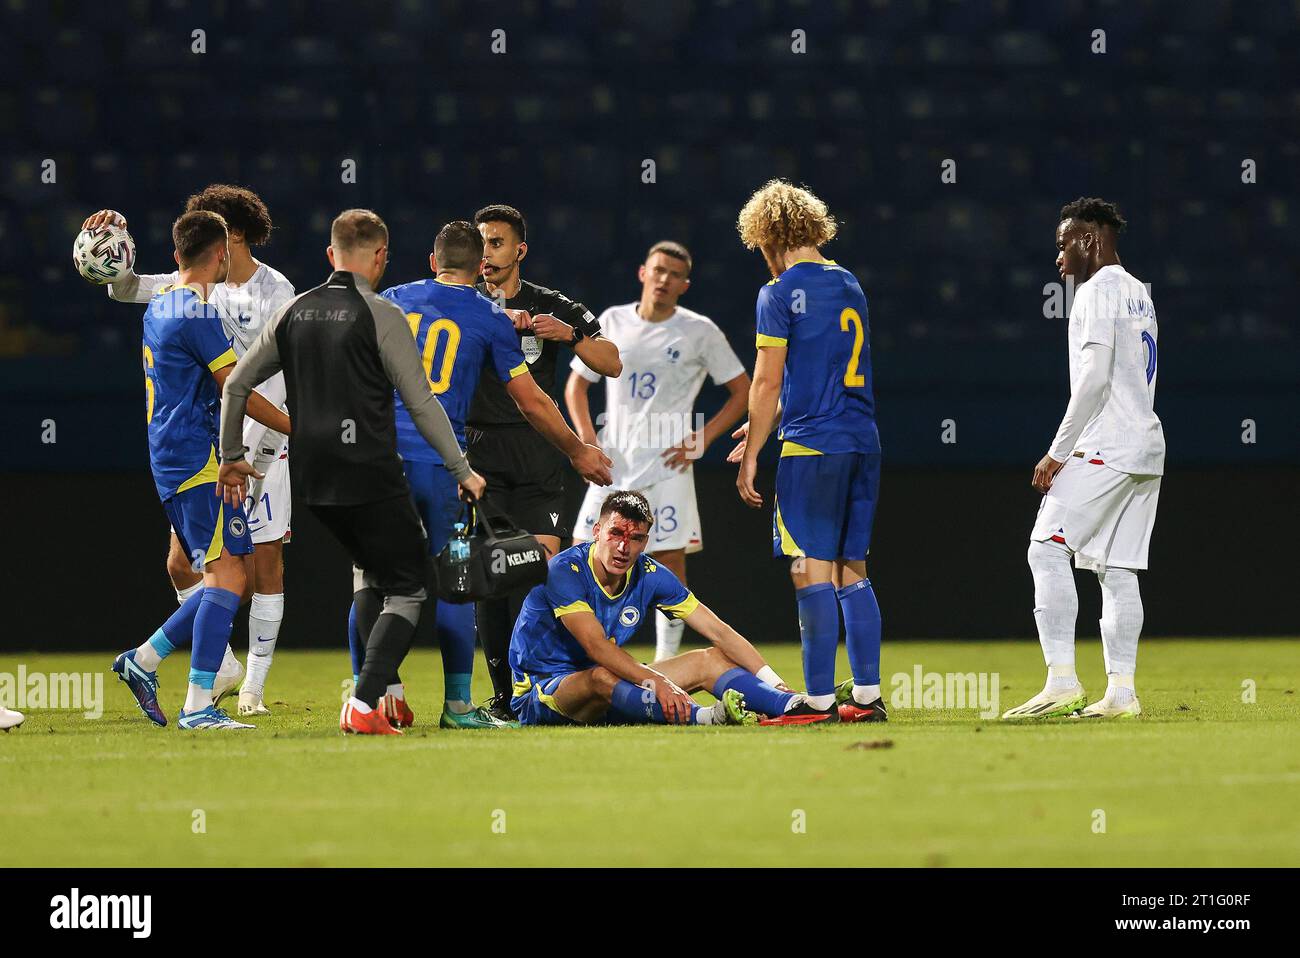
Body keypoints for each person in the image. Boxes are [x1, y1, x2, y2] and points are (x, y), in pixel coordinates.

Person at [217, 209, 486, 736]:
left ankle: (385, 695)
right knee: (409, 586)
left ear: (330, 256)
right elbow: (423, 403)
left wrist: (230, 458)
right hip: (370, 469)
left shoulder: (293, 311)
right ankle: (364, 702)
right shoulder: (381, 315)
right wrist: (462, 467)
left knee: (370, 574)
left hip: (314, 476)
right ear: (380, 256)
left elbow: (234, 386)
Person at [348, 220, 612, 730]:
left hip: (378, 456)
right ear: (477, 269)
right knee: (458, 578)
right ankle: (459, 705)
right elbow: (533, 401)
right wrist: (579, 450)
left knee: (371, 579)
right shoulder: (488, 318)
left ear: (432, 260)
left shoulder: (395, 299)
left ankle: (375, 696)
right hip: (448, 460)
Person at [83, 187, 296, 716]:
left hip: (195, 449)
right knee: (225, 572)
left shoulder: (170, 298)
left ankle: (177, 666)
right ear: (218, 251)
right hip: (204, 453)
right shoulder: (195, 311)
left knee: (236, 565)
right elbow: (235, 388)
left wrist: (109, 246)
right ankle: (195, 697)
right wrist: (302, 429)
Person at [732, 179, 886, 725]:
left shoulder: (777, 293)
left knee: (808, 567)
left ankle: (818, 702)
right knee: (852, 567)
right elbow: (811, 373)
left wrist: (753, 451)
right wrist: (759, 425)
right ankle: (865, 696)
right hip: (862, 442)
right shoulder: (849, 283)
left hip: (811, 449)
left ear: (768, 235)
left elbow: (768, 381)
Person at [1003, 198, 1163, 721]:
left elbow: (1094, 381)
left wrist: (1056, 453)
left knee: (1046, 549)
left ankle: (1061, 682)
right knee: (1116, 569)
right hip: (1146, 445)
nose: (1058, 258)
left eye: (1063, 244)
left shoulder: (1095, 292)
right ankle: (1121, 693)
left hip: (1108, 444)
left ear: (1088, 239)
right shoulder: (1140, 292)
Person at [468, 204, 622, 721]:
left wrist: (571, 336)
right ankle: (501, 696)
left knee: (539, 574)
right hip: (479, 454)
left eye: (497, 242)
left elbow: (612, 362)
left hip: (539, 454)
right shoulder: (462, 304)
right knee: (489, 577)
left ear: (520, 250)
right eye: (481, 242)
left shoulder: (552, 307)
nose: (487, 252)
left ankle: (541, 683)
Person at [565, 240, 750, 661]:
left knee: (668, 564)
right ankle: (586, 656)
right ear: (642, 273)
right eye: (658, 270)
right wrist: (586, 439)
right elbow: (577, 383)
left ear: (685, 284)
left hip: (667, 466)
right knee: (582, 555)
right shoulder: (611, 320)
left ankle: (666, 664)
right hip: (615, 462)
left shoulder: (699, 330)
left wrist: (703, 439)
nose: (664, 279)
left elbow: (742, 390)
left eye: (675, 274)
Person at [509, 491, 803, 727]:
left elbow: (718, 631)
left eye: (635, 538)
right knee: (601, 676)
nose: (624, 547)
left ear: (645, 542)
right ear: (596, 531)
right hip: (545, 693)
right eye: (616, 533)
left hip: (614, 687)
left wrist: (777, 684)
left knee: (709, 659)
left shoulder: (651, 575)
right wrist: (657, 682)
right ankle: (706, 717)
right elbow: (596, 646)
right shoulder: (563, 570)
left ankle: (792, 705)